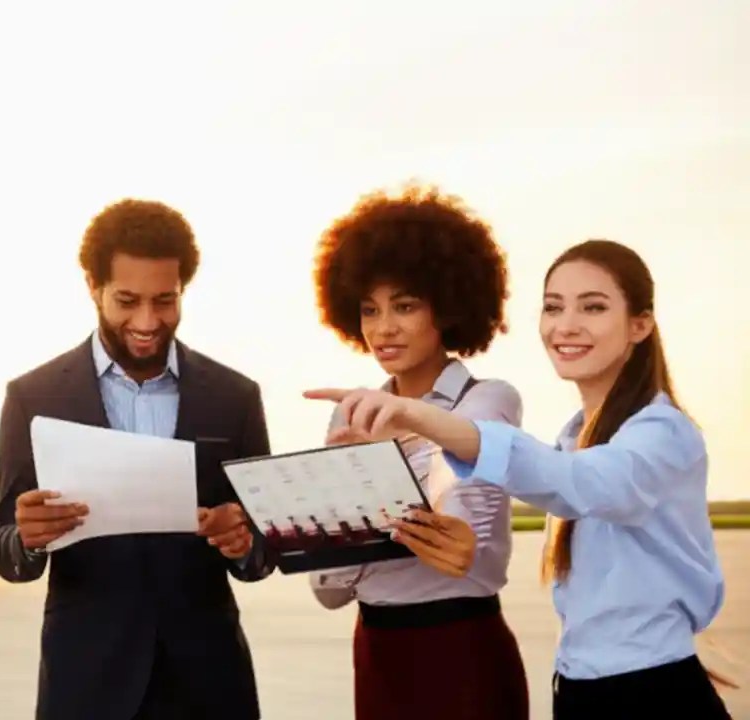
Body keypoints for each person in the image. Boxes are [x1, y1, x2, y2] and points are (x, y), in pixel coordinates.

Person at [306, 239, 731, 719]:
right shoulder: (574, 438)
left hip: (648, 689)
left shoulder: (662, 432)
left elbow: (578, 486)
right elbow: (330, 585)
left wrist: (418, 419)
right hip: (578, 684)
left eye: (593, 307)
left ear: (640, 324)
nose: (566, 324)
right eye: (553, 307)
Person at [0, 198, 276, 720]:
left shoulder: (235, 397)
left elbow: (261, 554)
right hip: (86, 684)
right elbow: (3, 544)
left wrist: (243, 539)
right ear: (92, 287)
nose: (147, 321)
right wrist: (27, 539)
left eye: (165, 300)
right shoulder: (34, 397)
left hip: (210, 685)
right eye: (127, 300)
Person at [305, 184, 529, 719]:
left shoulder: (488, 401)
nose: (384, 328)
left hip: (463, 651)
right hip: (378, 655)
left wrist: (371, 475)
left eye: (405, 306)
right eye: (370, 309)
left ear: (447, 307)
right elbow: (329, 591)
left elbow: (457, 542)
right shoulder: (349, 415)